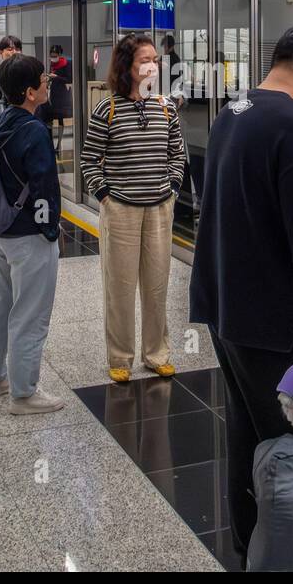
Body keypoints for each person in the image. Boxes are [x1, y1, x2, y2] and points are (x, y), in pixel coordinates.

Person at [189, 23, 293, 565]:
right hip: (279, 323)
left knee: (250, 436)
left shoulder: (235, 112)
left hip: (228, 306)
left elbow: (256, 199)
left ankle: (250, 547)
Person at [80, 33, 187, 384]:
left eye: (156, 59)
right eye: (145, 60)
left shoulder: (165, 107)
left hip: (159, 208)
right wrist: (105, 194)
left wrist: (172, 187)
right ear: (127, 66)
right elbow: (89, 160)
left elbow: (177, 155)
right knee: (120, 287)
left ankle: (157, 354)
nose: (153, 65)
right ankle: (120, 358)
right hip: (121, 210)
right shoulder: (106, 109)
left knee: (157, 287)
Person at [0, 53, 64, 415]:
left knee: (1, 306)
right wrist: (49, 229)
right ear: (30, 92)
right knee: (29, 313)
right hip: (28, 235)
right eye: (44, 81)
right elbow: (45, 186)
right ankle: (24, 394)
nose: (48, 85)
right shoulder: (34, 131)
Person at [39, 43, 73, 156]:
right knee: (51, 119)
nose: (53, 57)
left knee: (61, 119)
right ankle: (52, 144)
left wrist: (56, 77)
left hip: (62, 94)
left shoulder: (67, 64)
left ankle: (59, 144)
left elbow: (69, 79)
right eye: (51, 55)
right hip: (53, 92)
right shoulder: (52, 64)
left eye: (55, 55)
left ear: (59, 54)